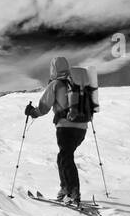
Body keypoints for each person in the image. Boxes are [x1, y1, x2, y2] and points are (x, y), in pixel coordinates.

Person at [24, 56, 87, 206]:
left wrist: (32, 112)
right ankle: (66, 189)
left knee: (65, 158)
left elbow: (44, 107)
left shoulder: (56, 84)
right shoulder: (78, 83)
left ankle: (72, 192)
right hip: (82, 128)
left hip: (65, 127)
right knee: (64, 157)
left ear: (53, 69)